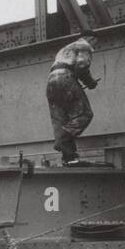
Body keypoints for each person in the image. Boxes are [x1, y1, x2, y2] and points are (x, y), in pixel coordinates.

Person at [46, 31, 98, 165]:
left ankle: (69, 156)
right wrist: (90, 83)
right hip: (66, 78)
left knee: (61, 119)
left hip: (51, 81)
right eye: (95, 42)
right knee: (85, 113)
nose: (95, 46)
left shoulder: (65, 49)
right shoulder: (84, 45)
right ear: (90, 38)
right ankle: (62, 140)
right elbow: (81, 65)